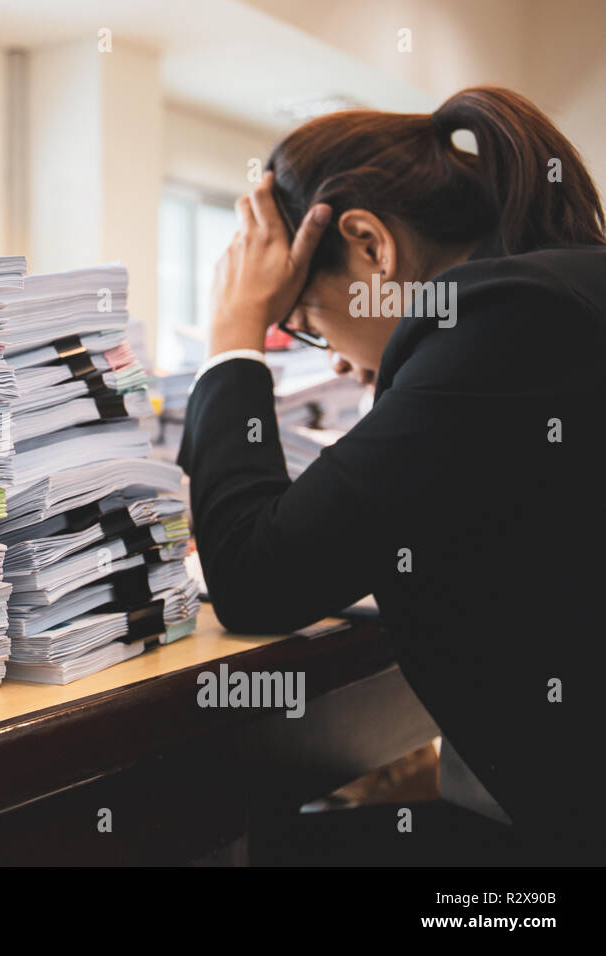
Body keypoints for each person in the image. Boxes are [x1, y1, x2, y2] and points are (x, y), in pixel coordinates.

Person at [177, 86, 606, 860]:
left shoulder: (501, 321)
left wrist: (235, 331)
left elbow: (251, 577)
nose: (337, 359)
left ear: (371, 246)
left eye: (304, 326)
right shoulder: (556, 298)